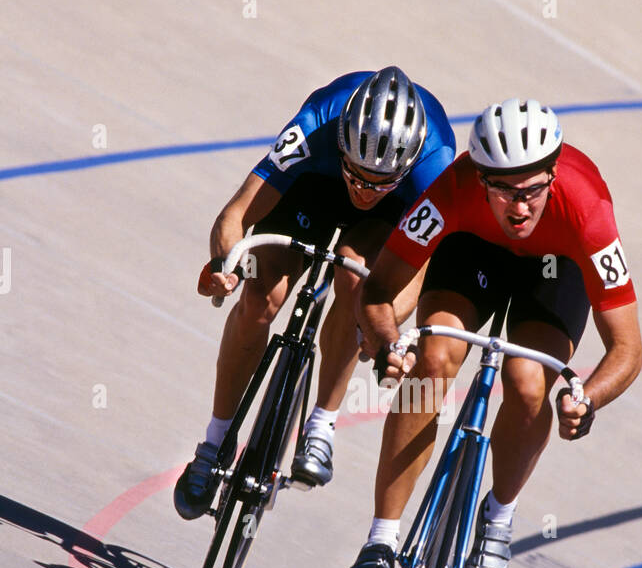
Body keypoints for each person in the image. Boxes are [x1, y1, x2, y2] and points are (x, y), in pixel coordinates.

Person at [347, 97, 642, 568]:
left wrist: (587, 398)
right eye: (504, 191)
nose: (520, 206)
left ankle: (498, 516)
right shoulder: (454, 189)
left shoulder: (588, 208)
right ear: (481, 178)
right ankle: (381, 539)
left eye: (531, 190)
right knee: (434, 359)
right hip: (473, 251)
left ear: (552, 173)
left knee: (529, 383)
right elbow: (378, 290)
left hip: (554, 269)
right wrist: (386, 340)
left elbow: (627, 347)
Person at [174, 67, 456, 519]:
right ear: (343, 141)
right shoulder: (316, 123)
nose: (364, 190)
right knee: (259, 297)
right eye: (358, 174)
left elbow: (421, 269)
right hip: (314, 187)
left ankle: (322, 422)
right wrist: (226, 266)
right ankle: (213, 443)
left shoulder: (437, 165)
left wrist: (382, 331)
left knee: (359, 280)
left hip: (389, 218)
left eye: (377, 181)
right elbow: (236, 214)